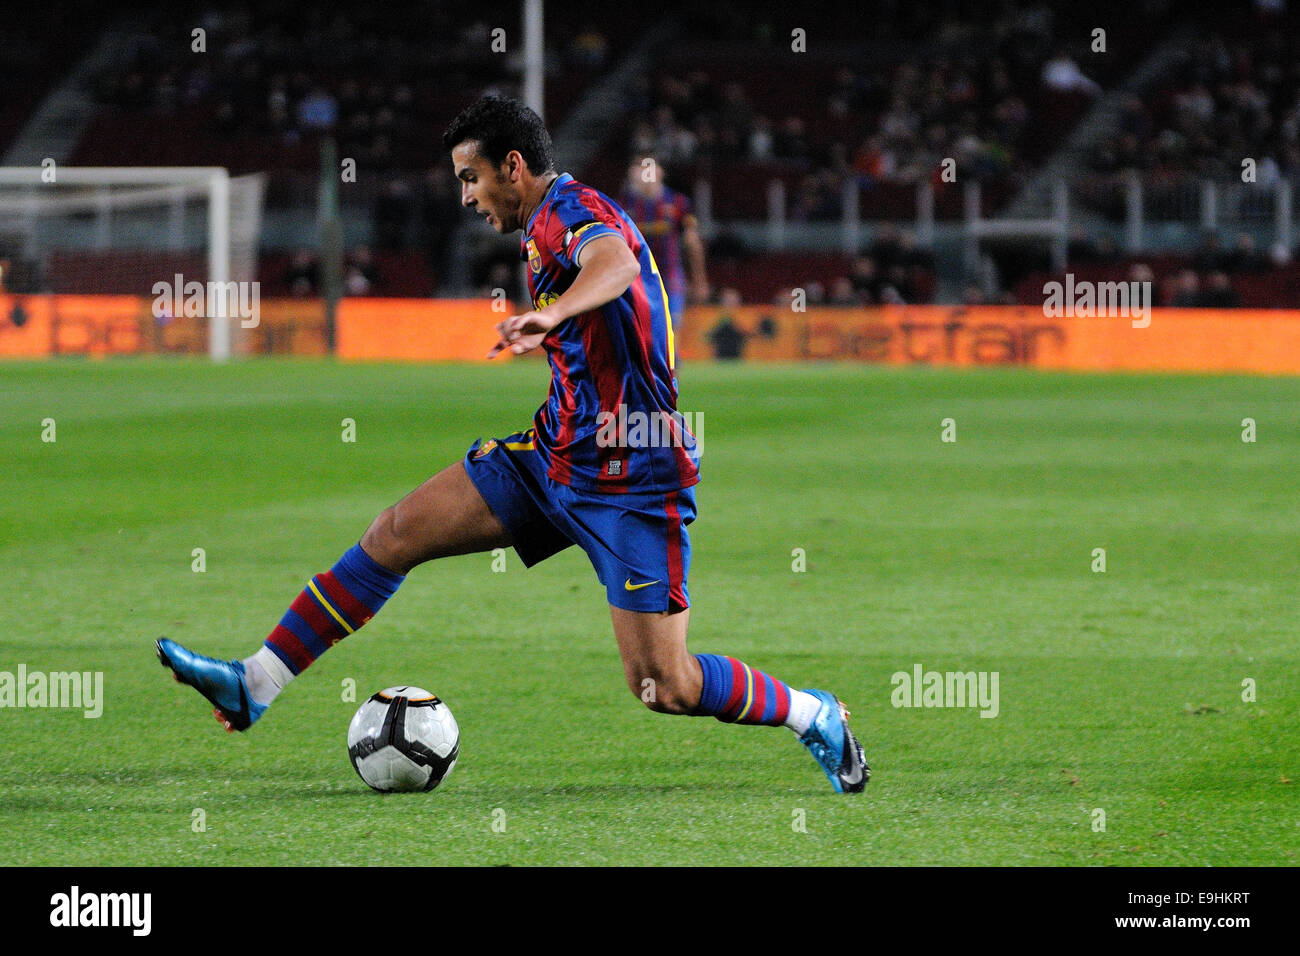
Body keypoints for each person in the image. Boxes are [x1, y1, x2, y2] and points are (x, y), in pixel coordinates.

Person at [156, 95, 868, 794]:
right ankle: (255, 682)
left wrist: (552, 313)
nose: (465, 196)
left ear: (514, 166)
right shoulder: (543, 226)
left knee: (664, 685)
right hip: (552, 457)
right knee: (396, 532)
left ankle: (815, 713)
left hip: (634, 478)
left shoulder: (570, 213)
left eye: (471, 177)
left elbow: (615, 263)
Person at [617, 152, 709, 327]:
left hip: (669, 273)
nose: (644, 172)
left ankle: (671, 354)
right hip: (633, 275)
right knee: (636, 329)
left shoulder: (678, 202)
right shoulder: (620, 205)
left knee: (670, 327)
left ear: (661, 172)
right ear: (630, 172)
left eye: (649, 165)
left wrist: (699, 280)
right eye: (639, 166)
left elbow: (692, 243)